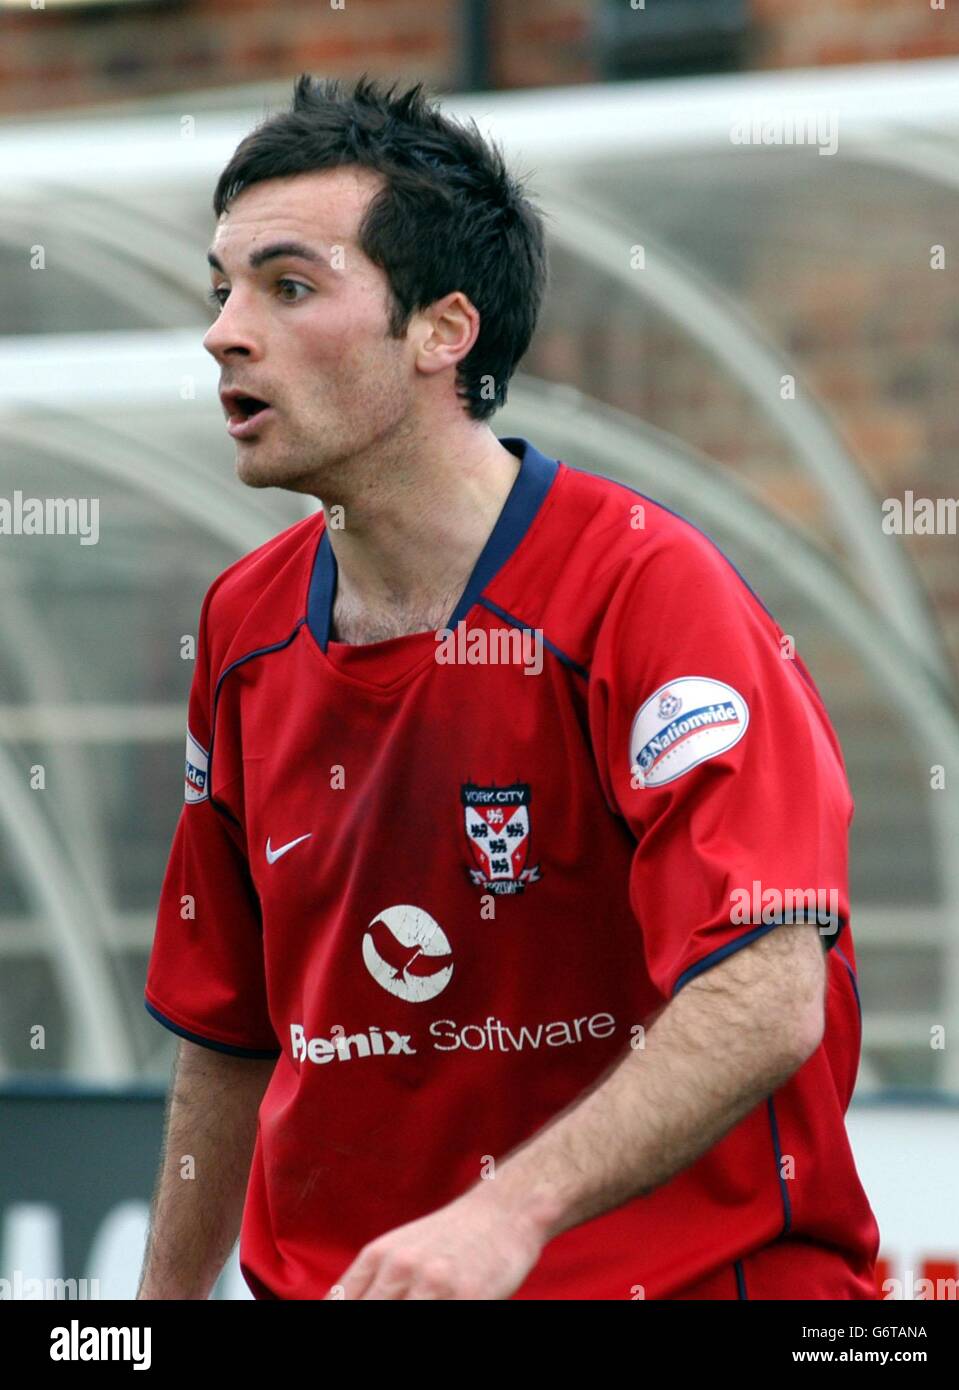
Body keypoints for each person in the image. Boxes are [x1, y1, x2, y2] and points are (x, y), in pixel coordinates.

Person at [138, 73, 879, 1301]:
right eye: (218, 289)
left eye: (286, 285)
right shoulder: (242, 623)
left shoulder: (645, 590)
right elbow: (228, 1031)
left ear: (443, 329)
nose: (223, 328)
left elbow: (767, 990)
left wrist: (501, 1217)